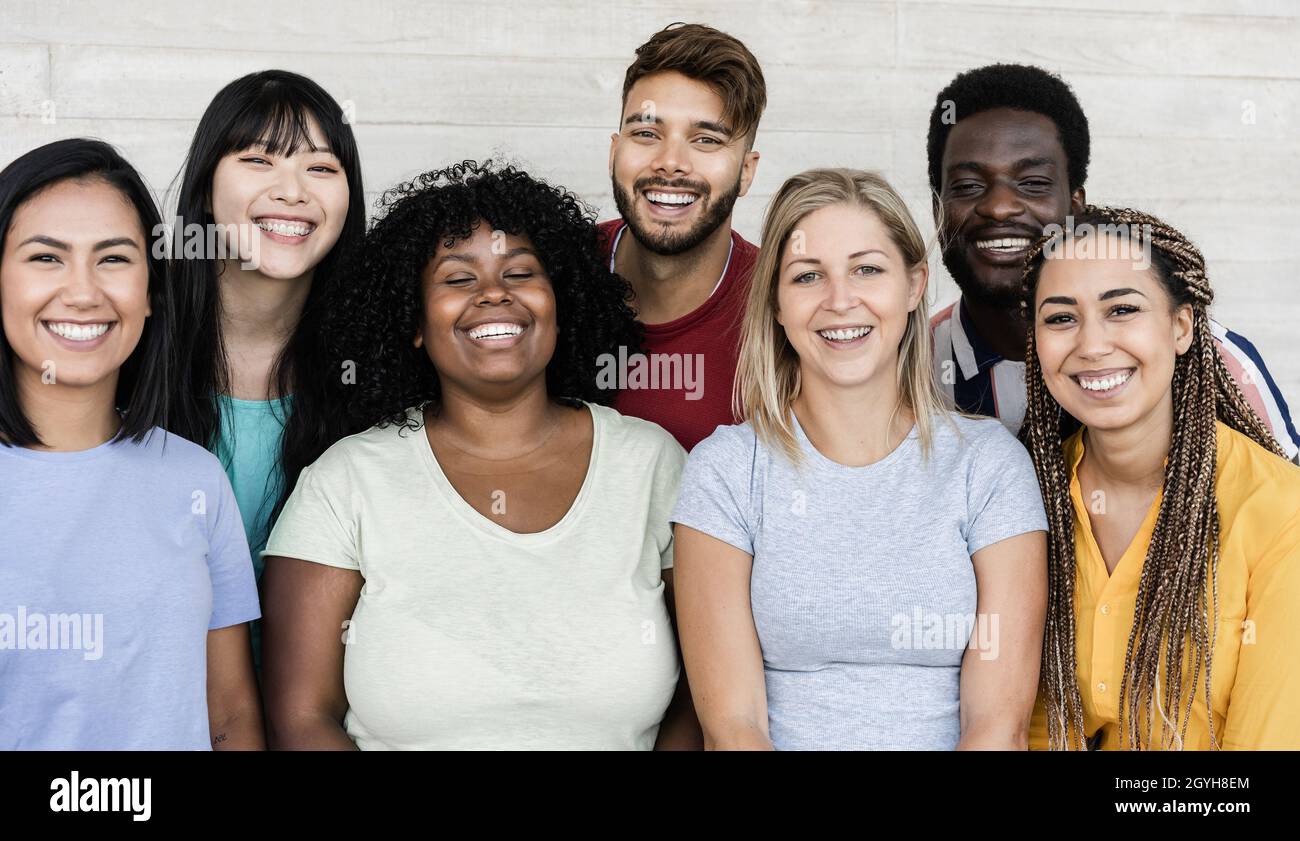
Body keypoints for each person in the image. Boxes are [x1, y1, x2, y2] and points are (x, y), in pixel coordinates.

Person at [260, 161, 697, 750]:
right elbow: (301, 719)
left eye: (520, 273)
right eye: (458, 279)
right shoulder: (344, 482)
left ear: (560, 304)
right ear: (414, 322)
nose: (494, 293)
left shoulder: (652, 467)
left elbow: (704, 698)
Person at [672, 168, 1048, 750]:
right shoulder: (724, 472)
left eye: (867, 269)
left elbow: (998, 726)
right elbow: (733, 729)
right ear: (774, 299)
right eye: (807, 276)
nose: (840, 300)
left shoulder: (989, 466)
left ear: (915, 285)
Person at [0, 139, 262, 749]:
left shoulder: (194, 478)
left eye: (114, 259)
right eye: (46, 258)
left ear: (150, 292)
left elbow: (229, 719)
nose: (84, 292)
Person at [1022, 206, 1300, 750]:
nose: (1092, 344)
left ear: (1180, 326)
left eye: (1121, 309)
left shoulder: (1280, 513)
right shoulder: (1021, 494)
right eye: (1060, 318)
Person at [926, 63, 1298, 460]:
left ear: (1075, 207)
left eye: (1033, 183)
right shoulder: (910, 364)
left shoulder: (1211, 359)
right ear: (937, 209)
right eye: (968, 186)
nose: (999, 207)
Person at [167, 69, 366, 587]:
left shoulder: (376, 360)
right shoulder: (129, 337)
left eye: (321, 167)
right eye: (258, 160)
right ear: (206, 187)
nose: (292, 191)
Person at [601, 23, 765, 450]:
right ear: (614, 152)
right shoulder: (543, 277)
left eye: (706, 140)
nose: (671, 162)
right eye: (647, 134)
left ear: (746, 171)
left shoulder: (787, 303)